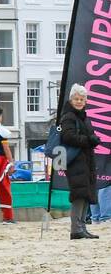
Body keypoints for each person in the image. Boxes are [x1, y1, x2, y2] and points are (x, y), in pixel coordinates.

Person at [59, 84, 100, 240]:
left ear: (85, 101)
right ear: (71, 99)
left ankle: (81, 227)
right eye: (76, 99)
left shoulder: (82, 116)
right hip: (75, 160)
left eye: (81, 99)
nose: (79, 101)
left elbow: (88, 135)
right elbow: (67, 137)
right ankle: (76, 229)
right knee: (79, 194)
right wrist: (88, 140)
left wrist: (94, 139)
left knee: (86, 193)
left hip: (85, 159)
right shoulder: (69, 116)